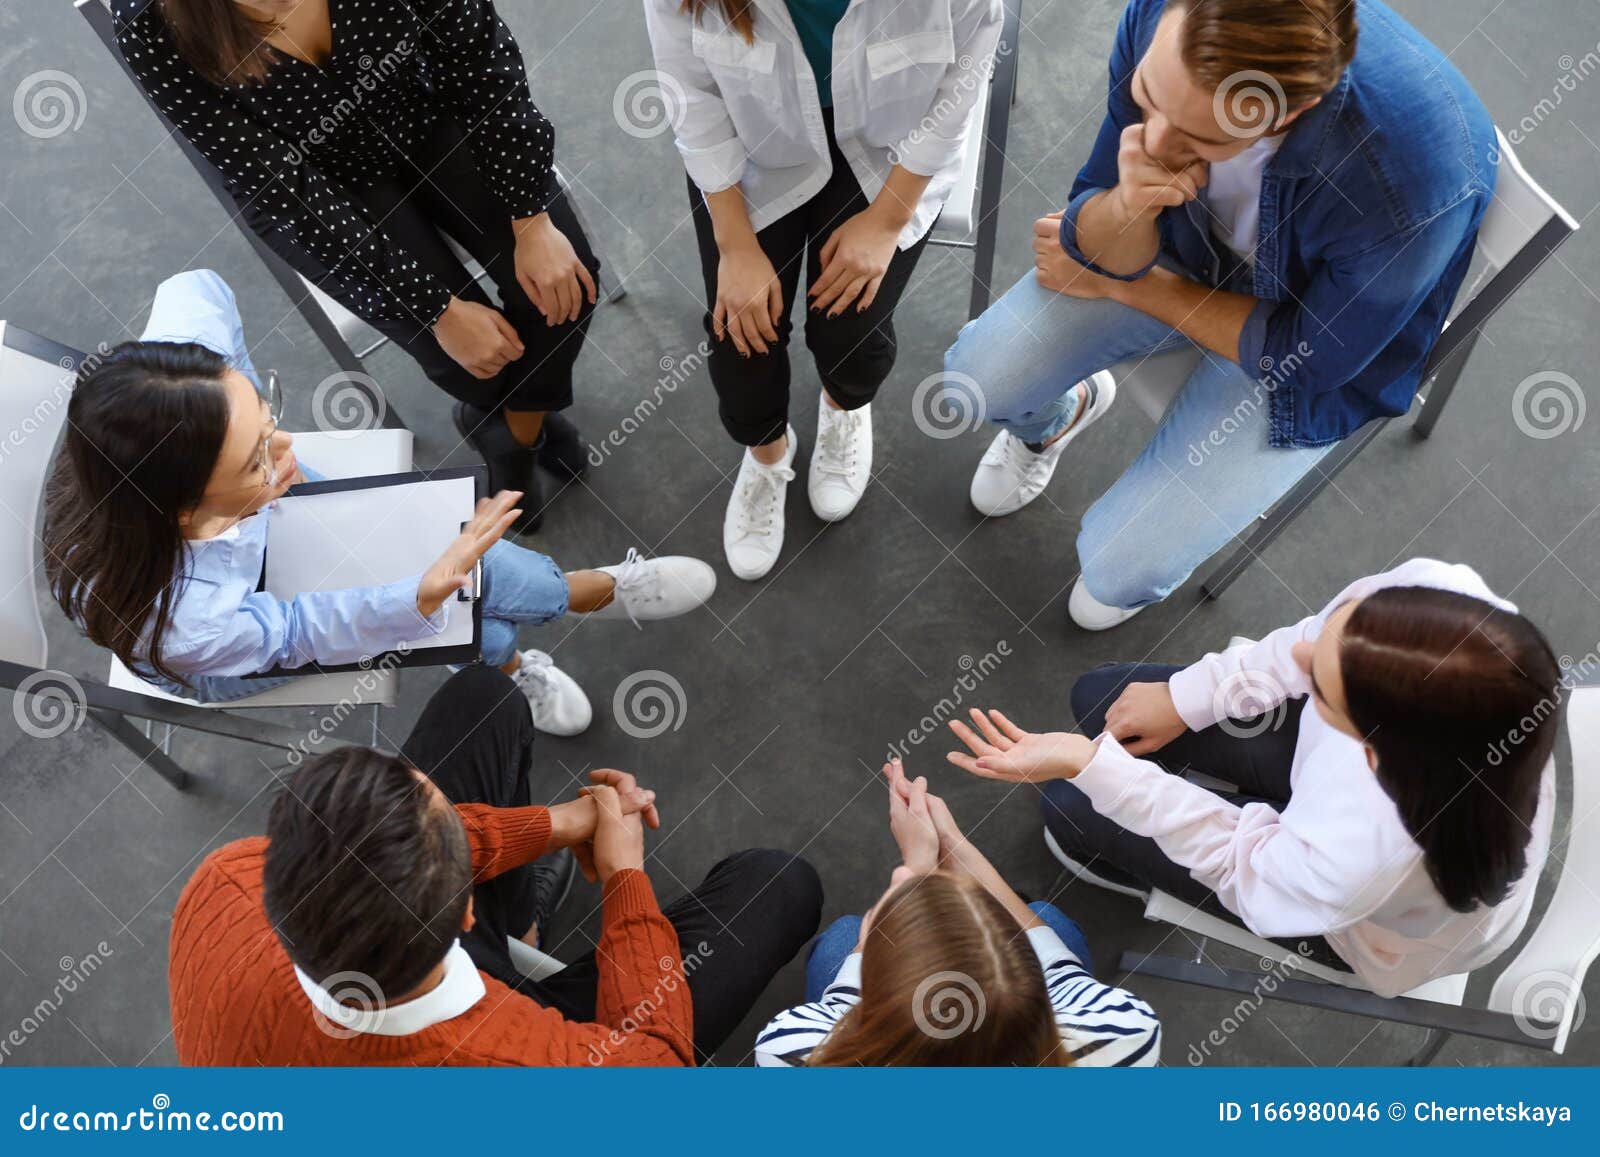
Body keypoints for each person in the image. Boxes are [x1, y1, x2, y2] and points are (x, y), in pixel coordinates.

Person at [946, 0, 1497, 629]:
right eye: (1150, 97)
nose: (1154, 142)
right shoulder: (1163, 16)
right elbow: (1096, 220)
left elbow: (1309, 359)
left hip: (1303, 331)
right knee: (979, 379)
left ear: (1291, 111)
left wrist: (1135, 290)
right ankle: (1054, 422)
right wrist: (1130, 203)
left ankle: (1131, 557)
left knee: (1114, 571)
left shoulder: (1414, 185)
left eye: (1199, 138)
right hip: (1189, 250)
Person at [43, 270, 715, 734]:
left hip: (245, 525)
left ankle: (527, 632)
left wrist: (234, 400)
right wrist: (417, 596)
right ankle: (570, 606)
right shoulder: (193, 623)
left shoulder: (187, 396)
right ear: (190, 512)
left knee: (452, 578)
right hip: (242, 647)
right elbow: (304, 631)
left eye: (265, 421)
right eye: (257, 457)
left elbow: (194, 288)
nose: (286, 450)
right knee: (437, 591)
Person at [945, 558, 1561, 997]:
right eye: (1333, 632)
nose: (1298, 659)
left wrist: (1089, 767)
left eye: (1318, 684)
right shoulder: (1443, 600)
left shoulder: (1365, 861)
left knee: (1068, 805)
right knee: (1100, 698)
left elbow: (1243, 865)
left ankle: (1118, 868)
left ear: (1375, 752)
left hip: (1353, 922)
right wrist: (1191, 697)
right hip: (1346, 819)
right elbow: (1306, 644)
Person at [167, 663, 824, 1065]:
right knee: (781, 883)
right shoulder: (512, 1066)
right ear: (465, 910)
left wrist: (560, 824)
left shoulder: (225, 879)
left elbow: (437, 837)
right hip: (504, 1034)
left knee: (483, 695)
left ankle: (524, 929)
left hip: (375, 994)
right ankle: (519, 938)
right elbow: (655, 1063)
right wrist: (625, 873)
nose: (449, 803)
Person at [112, 0, 601, 529]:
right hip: (316, 192)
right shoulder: (151, 22)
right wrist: (436, 309)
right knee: (465, 357)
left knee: (568, 286)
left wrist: (529, 214)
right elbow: (285, 189)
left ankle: (514, 437)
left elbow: (477, 54)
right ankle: (518, 412)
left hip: (423, 110)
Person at [644, 0, 1004, 579]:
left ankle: (845, 405)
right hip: (759, 146)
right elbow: (694, 100)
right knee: (741, 340)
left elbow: (959, 86)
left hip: (892, 152)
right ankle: (767, 453)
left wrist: (887, 221)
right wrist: (735, 247)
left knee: (850, 327)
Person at [755, 758, 1160, 1065]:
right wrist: (952, 844)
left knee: (841, 940)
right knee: (1045, 918)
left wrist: (917, 873)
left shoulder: (792, 1053)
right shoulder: (1123, 1035)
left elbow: (842, 1004)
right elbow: (1059, 972)